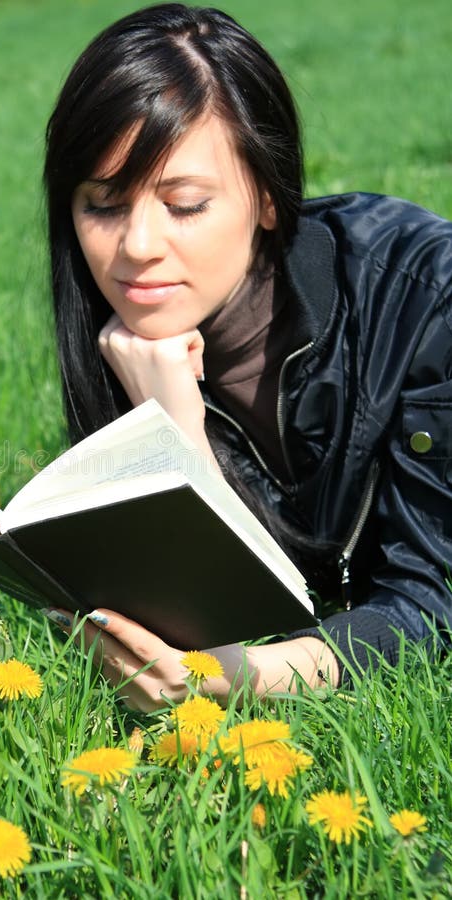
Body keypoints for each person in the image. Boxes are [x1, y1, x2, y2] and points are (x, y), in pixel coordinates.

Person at [41, 3, 452, 711]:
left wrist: (241, 680)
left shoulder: (424, 300)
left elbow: (431, 597)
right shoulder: (128, 349)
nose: (136, 246)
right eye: (103, 205)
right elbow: (222, 607)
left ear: (267, 194)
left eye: (186, 204)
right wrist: (173, 437)